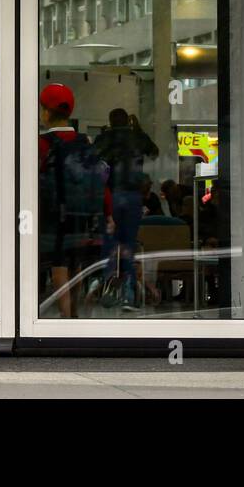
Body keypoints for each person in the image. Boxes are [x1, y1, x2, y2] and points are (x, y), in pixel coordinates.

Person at [37, 83, 107, 318]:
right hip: (82, 212)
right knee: (75, 262)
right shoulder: (84, 142)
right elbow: (99, 178)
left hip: (54, 211)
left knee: (58, 263)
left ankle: (65, 315)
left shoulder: (42, 143)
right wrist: (107, 211)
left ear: (46, 112)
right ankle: (74, 312)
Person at [94, 108, 157, 310]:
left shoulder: (105, 138)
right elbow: (154, 153)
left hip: (112, 197)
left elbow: (92, 161)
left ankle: (109, 288)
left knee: (110, 244)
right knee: (129, 245)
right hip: (133, 197)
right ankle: (130, 296)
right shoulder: (138, 136)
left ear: (111, 121)